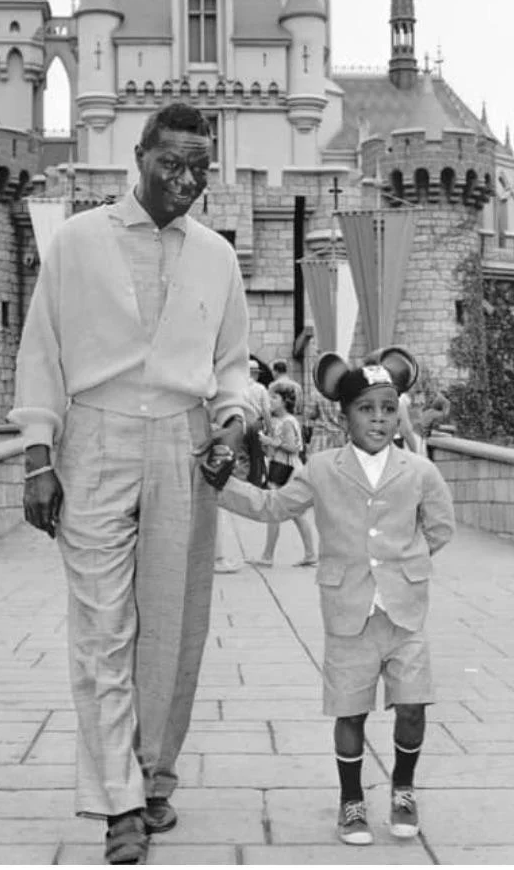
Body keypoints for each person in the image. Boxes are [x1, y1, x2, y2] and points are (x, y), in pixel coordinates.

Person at [10, 102, 249, 865]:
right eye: (170, 163)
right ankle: (117, 804)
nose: (185, 181)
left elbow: (234, 364)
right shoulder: (79, 242)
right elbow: (41, 351)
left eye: (199, 169)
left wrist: (233, 424)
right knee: (101, 628)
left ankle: (154, 777)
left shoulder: (217, 255)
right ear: (138, 155)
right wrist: (38, 457)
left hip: (183, 440)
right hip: (96, 438)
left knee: (175, 626)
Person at [213, 346, 455, 847]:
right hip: (348, 611)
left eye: (389, 409)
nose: (380, 419)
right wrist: (223, 488)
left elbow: (441, 528)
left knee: (413, 706)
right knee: (350, 711)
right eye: (367, 409)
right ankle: (351, 800)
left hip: (403, 613)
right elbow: (274, 506)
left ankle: (403, 788)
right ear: (343, 414)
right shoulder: (321, 468)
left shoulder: (419, 471)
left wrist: (404, 565)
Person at [216, 358, 269, 573]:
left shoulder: (224, 382)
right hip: (243, 429)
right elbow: (262, 412)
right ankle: (217, 557)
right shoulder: (254, 388)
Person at [255, 383, 317, 567]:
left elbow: (293, 447)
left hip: (286, 470)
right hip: (285, 468)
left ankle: (268, 556)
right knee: (296, 513)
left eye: (274, 398)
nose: (270, 401)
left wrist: (270, 441)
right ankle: (310, 554)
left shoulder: (287, 422)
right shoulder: (285, 420)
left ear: (284, 401)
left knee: (275, 511)